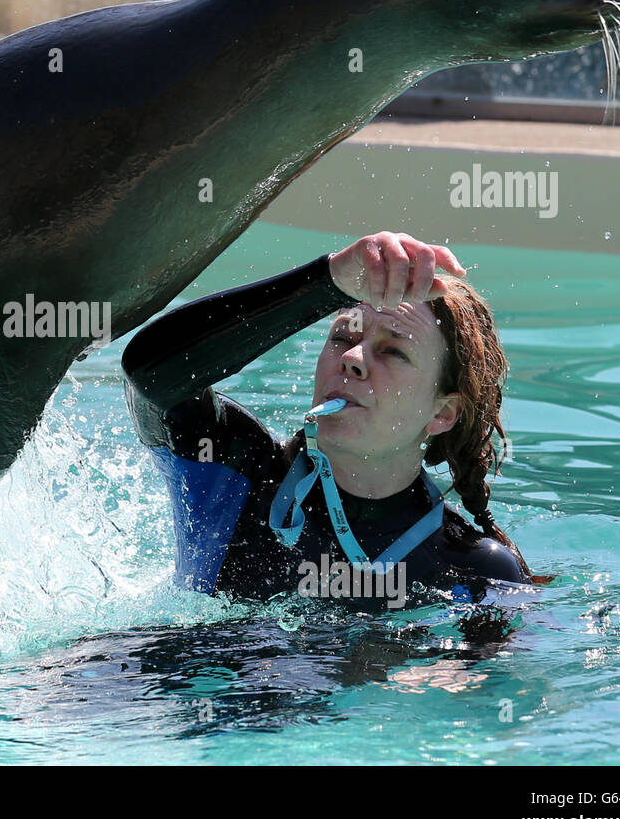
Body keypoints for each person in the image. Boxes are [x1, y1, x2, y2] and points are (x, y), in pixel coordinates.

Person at [121, 230, 548, 606]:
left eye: (392, 351)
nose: (352, 359)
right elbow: (150, 374)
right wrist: (329, 284)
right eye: (342, 336)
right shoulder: (235, 466)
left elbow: (499, 684)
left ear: (442, 413)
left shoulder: (474, 568)